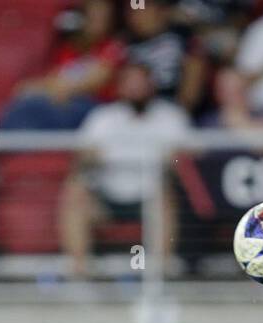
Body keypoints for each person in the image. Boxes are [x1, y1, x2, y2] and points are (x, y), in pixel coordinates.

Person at [58, 61, 188, 277]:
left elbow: (190, 154)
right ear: (120, 87)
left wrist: (172, 159)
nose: (136, 88)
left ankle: (159, 275)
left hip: (151, 196)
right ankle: (79, 272)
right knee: (75, 193)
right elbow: (82, 156)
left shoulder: (170, 117)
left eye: (141, 82)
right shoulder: (103, 118)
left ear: (152, 85)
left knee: (165, 198)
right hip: (109, 197)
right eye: (130, 83)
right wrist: (91, 157)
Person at [0, 0, 125, 132]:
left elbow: (96, 81)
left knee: (32, 107)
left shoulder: (113, 46)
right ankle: (1, 146)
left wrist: (61, 89)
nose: (98, 22)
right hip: (63, 104)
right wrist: (33, 87)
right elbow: (53, 78)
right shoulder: (70, 49)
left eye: (103, 17)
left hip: (95, 109)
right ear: (82, 18)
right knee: (25, 105)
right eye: (93, 16)